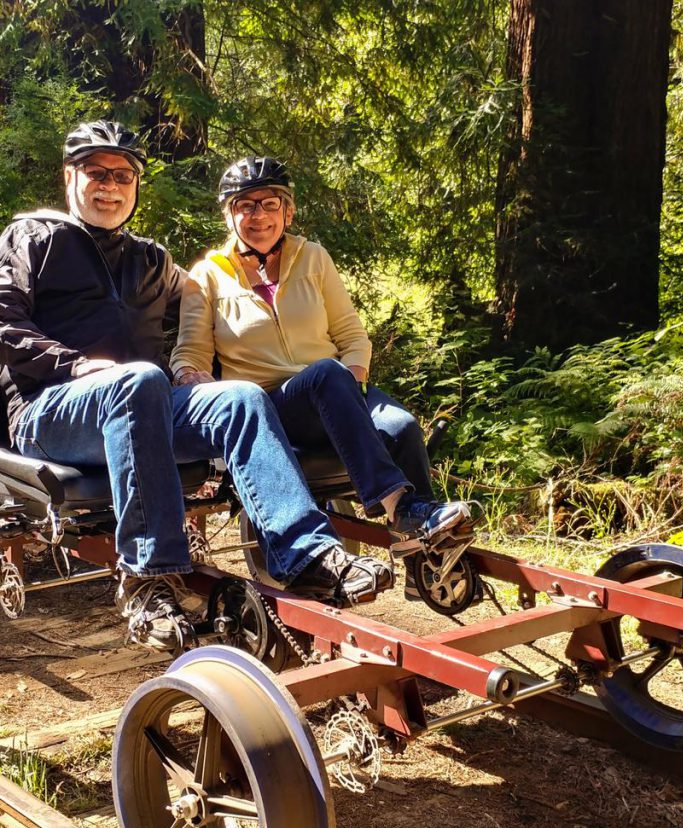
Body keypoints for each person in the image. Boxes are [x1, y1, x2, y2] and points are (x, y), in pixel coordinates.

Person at [0, 120, 393, 651]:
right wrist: (76, 365)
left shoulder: (151, 260)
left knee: (240, 398)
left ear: (136, 186)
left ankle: (304, 553)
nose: (110, 185)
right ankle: (148, 577)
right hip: (49, 410)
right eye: (96, 172)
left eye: (123, 175)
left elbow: (213, 302)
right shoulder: (34, 237)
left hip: (142, 403)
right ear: (69, 176)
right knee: (140, 380)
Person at [175, 157, 474, 553]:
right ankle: (401, 507)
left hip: (337, 389)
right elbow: (190, 351)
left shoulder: (314, 257)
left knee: (401, 427)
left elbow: (350, 333)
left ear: (288, 210)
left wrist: (356, 377)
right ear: (228, 215)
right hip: (275, 407)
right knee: (325, 374)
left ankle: (425, 559)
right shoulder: (207, 274)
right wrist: (188, 374)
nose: (258, 215)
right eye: (244, 204)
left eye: (269, 203)